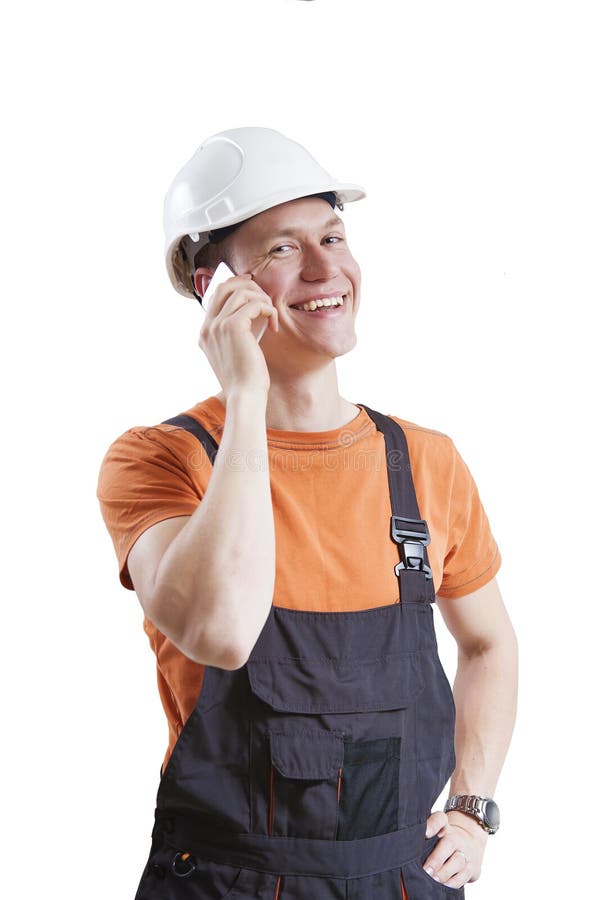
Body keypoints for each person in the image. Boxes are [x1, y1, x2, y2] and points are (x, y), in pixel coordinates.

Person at [97, 127, 518, 899]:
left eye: (333, 236)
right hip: (228, 883)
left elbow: (489, 644)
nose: (328, 270)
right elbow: (221, 633)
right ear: (214, 287)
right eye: (284, 250)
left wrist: (472, 807)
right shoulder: (160, 461)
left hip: (400, 879)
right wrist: (247, 393)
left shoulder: (424, 463)